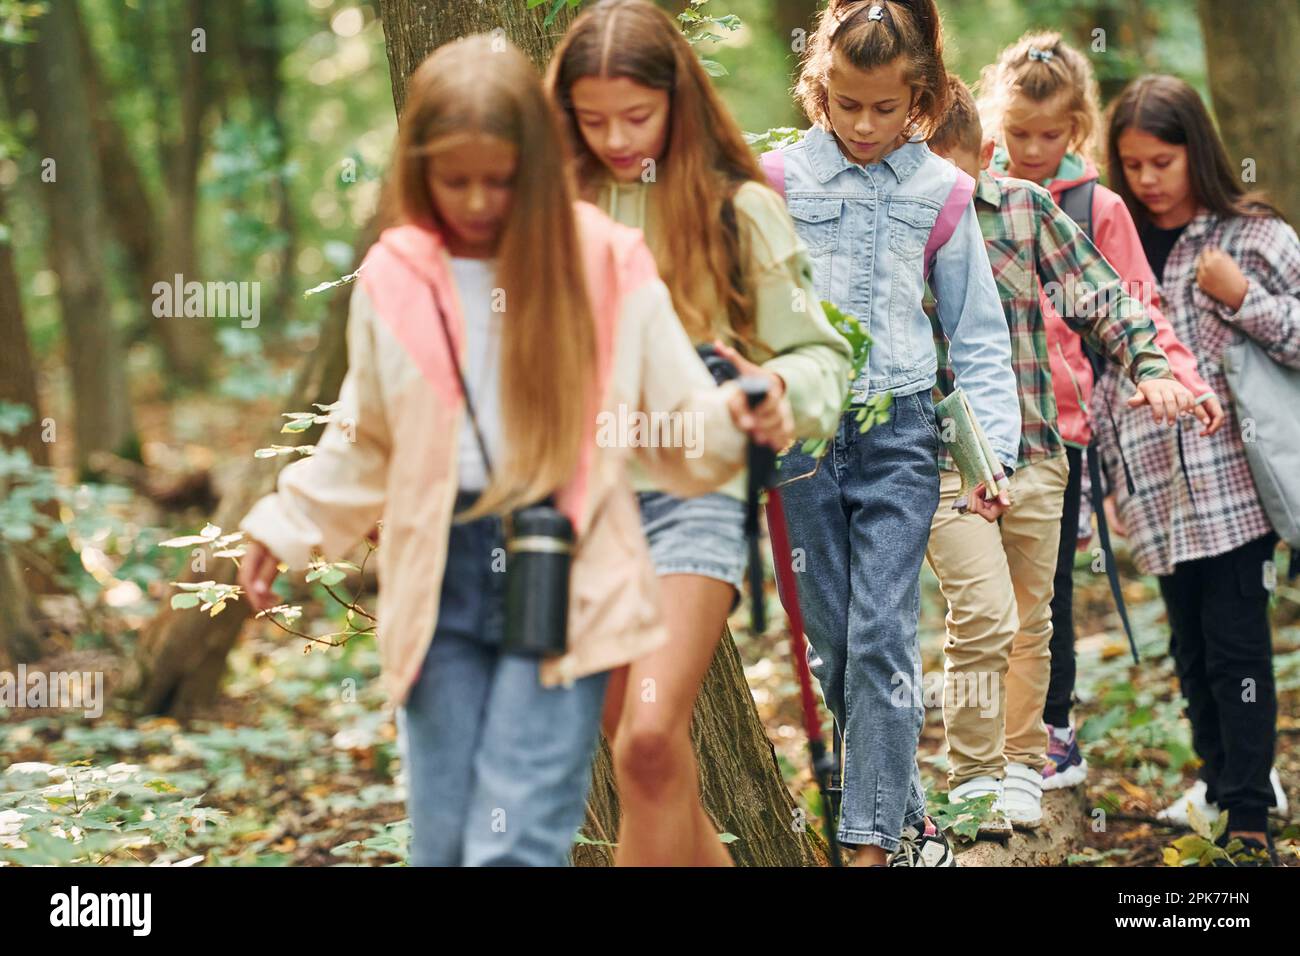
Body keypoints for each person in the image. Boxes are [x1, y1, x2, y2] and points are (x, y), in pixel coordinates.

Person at [236, 35, 772, 866]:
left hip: (559, 568)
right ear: (418, 172)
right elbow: (362, 434)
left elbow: (678, 421)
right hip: (436, 574)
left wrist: (741, 415)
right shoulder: (395, 275)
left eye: (503, 179)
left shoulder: (601, 261)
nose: (481, 201)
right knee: (447, 843)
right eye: (457, 182)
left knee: (515, 843)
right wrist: (284, 523)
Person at [546, 0, 852, 867]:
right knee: (652, 767)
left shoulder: (736, 208)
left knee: (646, 736)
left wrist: (778, 388)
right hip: (581, 506)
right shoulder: (543, 212)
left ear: (677, 99)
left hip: (695, 494)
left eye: (636, 116)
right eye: (591, 118)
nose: (615, 138)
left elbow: (817, 353)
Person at [772, 0, 1022, 867]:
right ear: (819, 91)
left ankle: (871, 848)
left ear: (918, 97)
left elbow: (979, 337)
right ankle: (910, 815)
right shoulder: (773, 183)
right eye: (847, 104)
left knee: (883, 635)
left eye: (886, 106)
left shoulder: (943, 191)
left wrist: (993, 457)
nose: (865, 124)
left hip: (901, 436)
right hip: (799, 443)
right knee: (836, 646)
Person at [924, 74, 1193, 831]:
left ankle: (1020, 763)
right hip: (948, 462)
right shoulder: (900, 217)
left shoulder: (1023, 209)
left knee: (1032, 620)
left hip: (1040, 449)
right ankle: (971, 774)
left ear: (985, 154)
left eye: (952, 172)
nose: (938, 190)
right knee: (980, 614)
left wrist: (1152, 368)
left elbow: (1103, 298)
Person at [976, 30, 1222, 788]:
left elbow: (1136, 304)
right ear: (994, 121)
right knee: (982, 587)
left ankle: (1052, 727)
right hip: (980, 425)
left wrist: (1177, 376)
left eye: (1052, 134)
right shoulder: (967, 193)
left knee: (1047, 585)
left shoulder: (1095, 205)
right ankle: (985, 745)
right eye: (1020, 134)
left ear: (1077, 126)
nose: (1036, 148)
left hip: (1063, 428)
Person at [1096, 74, 1300, 865]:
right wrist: (1113, 480)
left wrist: (1243, 297)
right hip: (1154, 492)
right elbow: (1105, 372)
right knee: (1189, 654)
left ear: (1197, 151)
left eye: (1163, 161)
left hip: (1239, 491)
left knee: (1237, 648)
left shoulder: (1251, 236)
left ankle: (1252, 816)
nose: (1147, 180)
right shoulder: (1111, 245)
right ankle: (1220, 789)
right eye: (1133, 164)